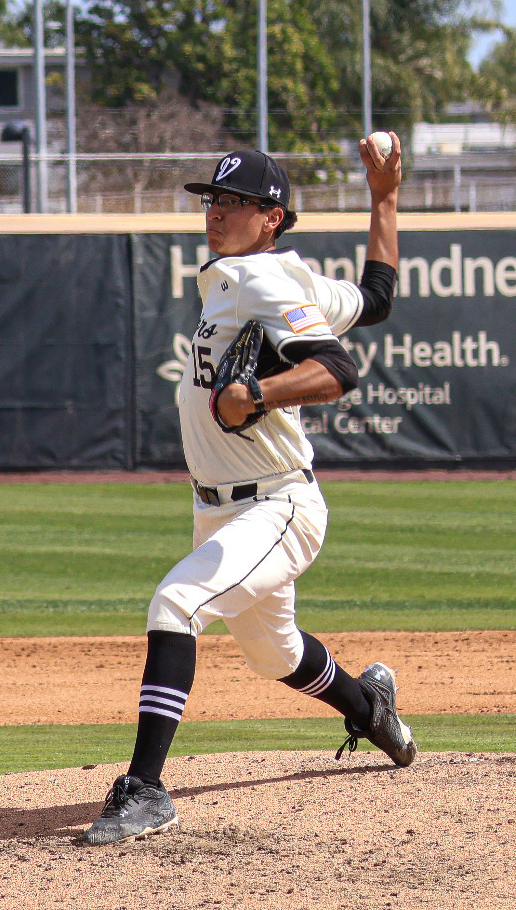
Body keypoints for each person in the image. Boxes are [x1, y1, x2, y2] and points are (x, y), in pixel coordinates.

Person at [84, 137, 413, 846]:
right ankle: (372, 705)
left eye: (235, 202)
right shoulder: (264, 276)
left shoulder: (266, 284)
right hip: (220, 507)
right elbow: (377, 296)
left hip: (278, 502)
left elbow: (337, 370)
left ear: (273, 216)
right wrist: (383, 197)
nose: (217, 212)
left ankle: (145, 789)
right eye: (213, 199)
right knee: (275, 654)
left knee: (175, 603)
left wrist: (257, 392)